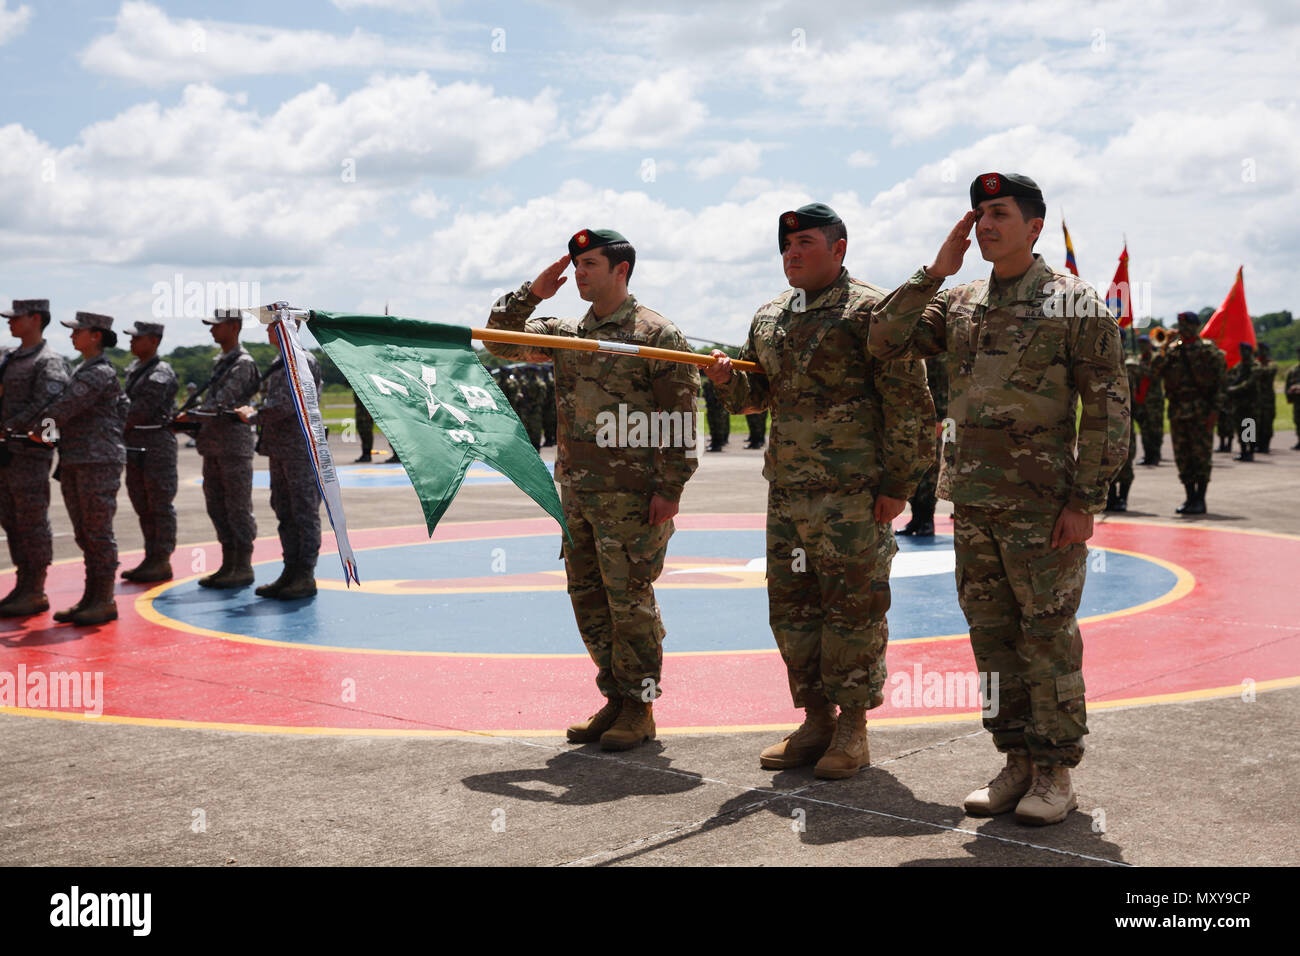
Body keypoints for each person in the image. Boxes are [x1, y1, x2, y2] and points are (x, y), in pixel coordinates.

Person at [869, 173, 1130, 825]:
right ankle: (1014, 760)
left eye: (1000, 214)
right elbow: (882, 338)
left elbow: (1107, 407)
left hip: (1044, 506)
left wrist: (1086, 500)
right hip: (976, 503)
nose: (985, 224)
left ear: (1034, 226)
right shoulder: (959, 303)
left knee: (1046, 637)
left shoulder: (1075, 304)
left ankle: (1054, 771)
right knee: (992, 639)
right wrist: (934, 270)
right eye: (979, 214)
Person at [707, 203, 933, 779]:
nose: (792, 253)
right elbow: (755, 400)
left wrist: (898, 484)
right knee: (792, 609)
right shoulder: (769, 317)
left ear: (839, 248)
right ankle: (816, 718)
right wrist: (727, 380)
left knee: (853, 608)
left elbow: (909, 404)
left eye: (805, 242)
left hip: (853, 494)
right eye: (786, 246)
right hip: (787, 493)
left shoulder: (872, 312)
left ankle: (853, 727)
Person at [486, 228, 699, 751]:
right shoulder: (566, 332)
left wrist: (670, 488)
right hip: (578, 493)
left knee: (630, 601)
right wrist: (532, 293)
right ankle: (615, 697)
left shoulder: (655, 332)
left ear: (620, 270)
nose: (579, 273)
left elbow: (680, 415)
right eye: (576, 264)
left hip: (633, 495)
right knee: (588, 598)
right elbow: (497, 340)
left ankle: (640, 706)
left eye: (590, 264)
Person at [45, 313, 130, 625]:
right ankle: (91, 597)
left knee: (97, 532)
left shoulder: (98, 373)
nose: (72, 336)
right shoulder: (84, 369)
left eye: (77, 332)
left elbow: (62, 408)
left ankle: (104, 599)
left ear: (96, 336)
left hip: (97, 461)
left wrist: (34, 432)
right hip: (78, 459)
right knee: (85, 532)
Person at [235, 323, 323, 600]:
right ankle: (291, 571)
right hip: (282, 450)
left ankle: (304, 575)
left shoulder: (301, 360)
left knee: (303, 512)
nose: (267, 330)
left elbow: (286, 405)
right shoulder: (281, 361)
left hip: (299, 449)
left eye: (273, 325)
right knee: (285, 510)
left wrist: (252, 416)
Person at [176, 308, 260, 588]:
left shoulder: (242, 363)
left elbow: (223, 403)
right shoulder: (222, 362)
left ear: (234, 326)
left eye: (217, 325)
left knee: (237, 508)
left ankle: (243, 566)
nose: (212, 330)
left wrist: (190, 416)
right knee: (217, 506)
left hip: (233, 447)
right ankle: (229, 562)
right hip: (214, 446)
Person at [0, 299, 70, 617]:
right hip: (5, 452)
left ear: (36, 319)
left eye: (16, 318)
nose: (9, 322)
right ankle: (22, 583)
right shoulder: (9, 358)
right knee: (11, 521)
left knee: (31, 522)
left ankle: (36, 588)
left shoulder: (49, 361)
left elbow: (49, 405)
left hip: (28, 454)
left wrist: (8, 427)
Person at [121, 321, 179, 582]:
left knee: (159, 506)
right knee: (142, 505)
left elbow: (137, 411)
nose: (132, 342)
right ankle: (150, 557)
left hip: (156, 446)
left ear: (154, 341)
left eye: (137, 338)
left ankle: (161, 560)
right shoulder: (135, 368)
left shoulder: (161, 373)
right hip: (136, 445)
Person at [1154, 312, 1226, 515]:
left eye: (1186, 326)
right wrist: (1165, 345)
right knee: (1182, 456)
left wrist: (1214, 412)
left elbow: (1221, 385)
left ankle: (1200, 499)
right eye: (1180, 325)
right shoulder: (1173, 351)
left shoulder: (1209, 351)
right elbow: (1154, 371)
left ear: (1196, 327)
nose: (1182, 329)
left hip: (1201, 411)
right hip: (1178, 410)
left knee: (1201, 456)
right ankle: (1189, 497)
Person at [900, 355, 948, 536]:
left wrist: (940, 418)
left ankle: (927, 519)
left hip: (931, 416)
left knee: (929, 469)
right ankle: (916, 518)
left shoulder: (936, 354)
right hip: (910, 414)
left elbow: (943, 384)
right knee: (911, 467)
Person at [1107, 357, 1140, 511]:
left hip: (1124, 419)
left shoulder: (1130, 367)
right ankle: (1111, 497)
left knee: (1124, 459)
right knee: (1107, 461)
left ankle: (1123, 498)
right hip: (1106, 420)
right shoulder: (1102, 366)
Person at [1133, 334, 1164, 465]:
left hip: (1154, 400)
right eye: (1140, 343)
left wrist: (1141, 369)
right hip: (1142, 399)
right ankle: (1147, 455)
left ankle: (1156, 455)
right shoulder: (1140, 359)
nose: (1141, 346)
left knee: (1155, 429)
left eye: (1144, 343)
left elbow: (1156, 376)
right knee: (1144, 429)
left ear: (1149, 344)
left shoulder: (1156, 358)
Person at [1226, 342, 1257, 463]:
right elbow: (1234, 378)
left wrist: (1234, 389)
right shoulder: (1240, 366)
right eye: (1241, 351)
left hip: (1251, 402)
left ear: (1250, 352)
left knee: (1250, 426)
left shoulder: (1254, 365)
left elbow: (1250, 382)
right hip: (1239, 402)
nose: (1242, 353)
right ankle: (1243, 451)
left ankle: (1251, 451)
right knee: (1240, 427)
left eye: (1244, 351)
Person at [1253, 343, 1277, 454]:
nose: (1261, 353)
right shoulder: (1254, 363)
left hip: (1267, 399)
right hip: (1254, 399)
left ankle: (1265, 445)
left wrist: (1255, 367)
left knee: (1266, 423)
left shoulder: (1271, 364)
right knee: (1251, 422)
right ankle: (1249, 447)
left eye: (1263, 350)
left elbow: (1267, 372)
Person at [702, 378, 729, 452]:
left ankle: (717, 444)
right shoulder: (710, 381)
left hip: (717, 403)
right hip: (712, 403)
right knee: (712, 420)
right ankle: (714, 443)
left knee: (718, 421)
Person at [353, 389, 374, 462]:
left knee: (366, 431)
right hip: (360, 409)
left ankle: (367, 454)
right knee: (362, 430)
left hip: (366, 409)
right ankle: (365, 453)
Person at [1286, 345, 1300, 449]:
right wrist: (1289, 394)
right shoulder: (1293, 370)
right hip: (1297, 401)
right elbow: (1287, 385)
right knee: (1297, 420)